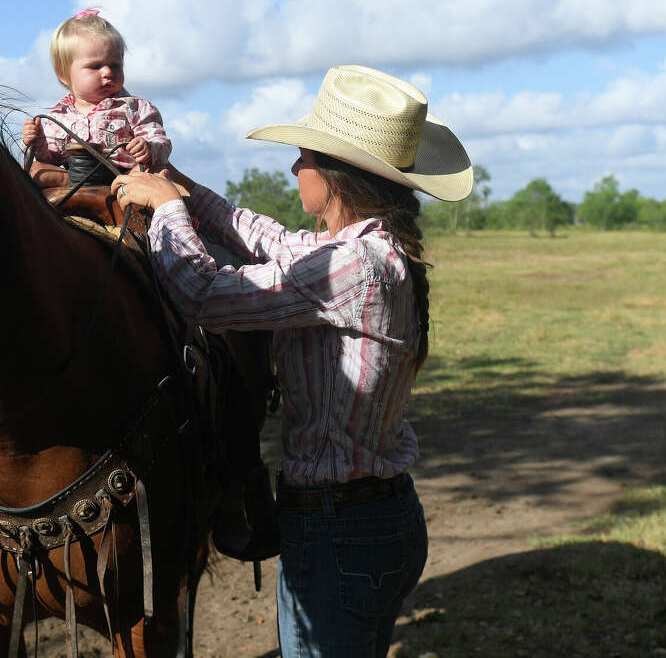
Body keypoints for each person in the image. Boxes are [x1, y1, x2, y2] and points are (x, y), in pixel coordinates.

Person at [111, 64, 473, 657]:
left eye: (304, 154)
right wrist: (179, 185)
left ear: (335, 176)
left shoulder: (350, 266)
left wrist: (170, 213)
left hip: (338, 530)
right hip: (375, 519)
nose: (293, 166)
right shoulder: (368, 251)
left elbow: (201, 295)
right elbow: (276, 242)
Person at [22, 9, 170, 188]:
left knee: (155, 173)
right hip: (72, 176)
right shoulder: (58, 116)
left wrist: (148, 147)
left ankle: (122, 189)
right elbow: (50, 158)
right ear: (64, 74)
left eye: (115, 65)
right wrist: (37, 143)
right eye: (95, 66)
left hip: (127, 177)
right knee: (32, 170)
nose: (108, 72)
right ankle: (76, 183)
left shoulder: (136, 108)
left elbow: (162, 143)